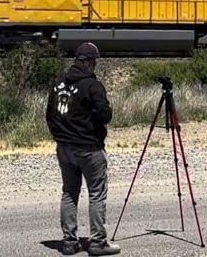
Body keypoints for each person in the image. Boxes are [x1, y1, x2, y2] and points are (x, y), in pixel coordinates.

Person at [46, 42, 119, 256]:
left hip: (64, 148)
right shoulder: (92, 85)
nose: (95, 65)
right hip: (89, 148)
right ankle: (98, 242)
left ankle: (69, 242)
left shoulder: (58, 83)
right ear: (89, 63)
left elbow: (50, 115)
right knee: (97, 193)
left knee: (69, 192)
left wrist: (60, 136)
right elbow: (105, 116)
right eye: (94, 61)